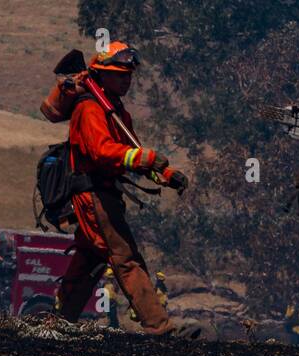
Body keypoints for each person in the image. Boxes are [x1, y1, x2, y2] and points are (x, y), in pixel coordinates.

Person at [53, 42, 199, 337]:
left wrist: (165, 174)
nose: (126, 80)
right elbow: (102, 152)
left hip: (105, 195)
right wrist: (145, 158)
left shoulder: (117, 112)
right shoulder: (90, 108)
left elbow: (131, 151)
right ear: (101, 75)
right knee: (126, 258)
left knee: (88, 260)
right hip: (94, 196)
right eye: (119, 74)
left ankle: (58, 322)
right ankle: (159, 327)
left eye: (129, 75)